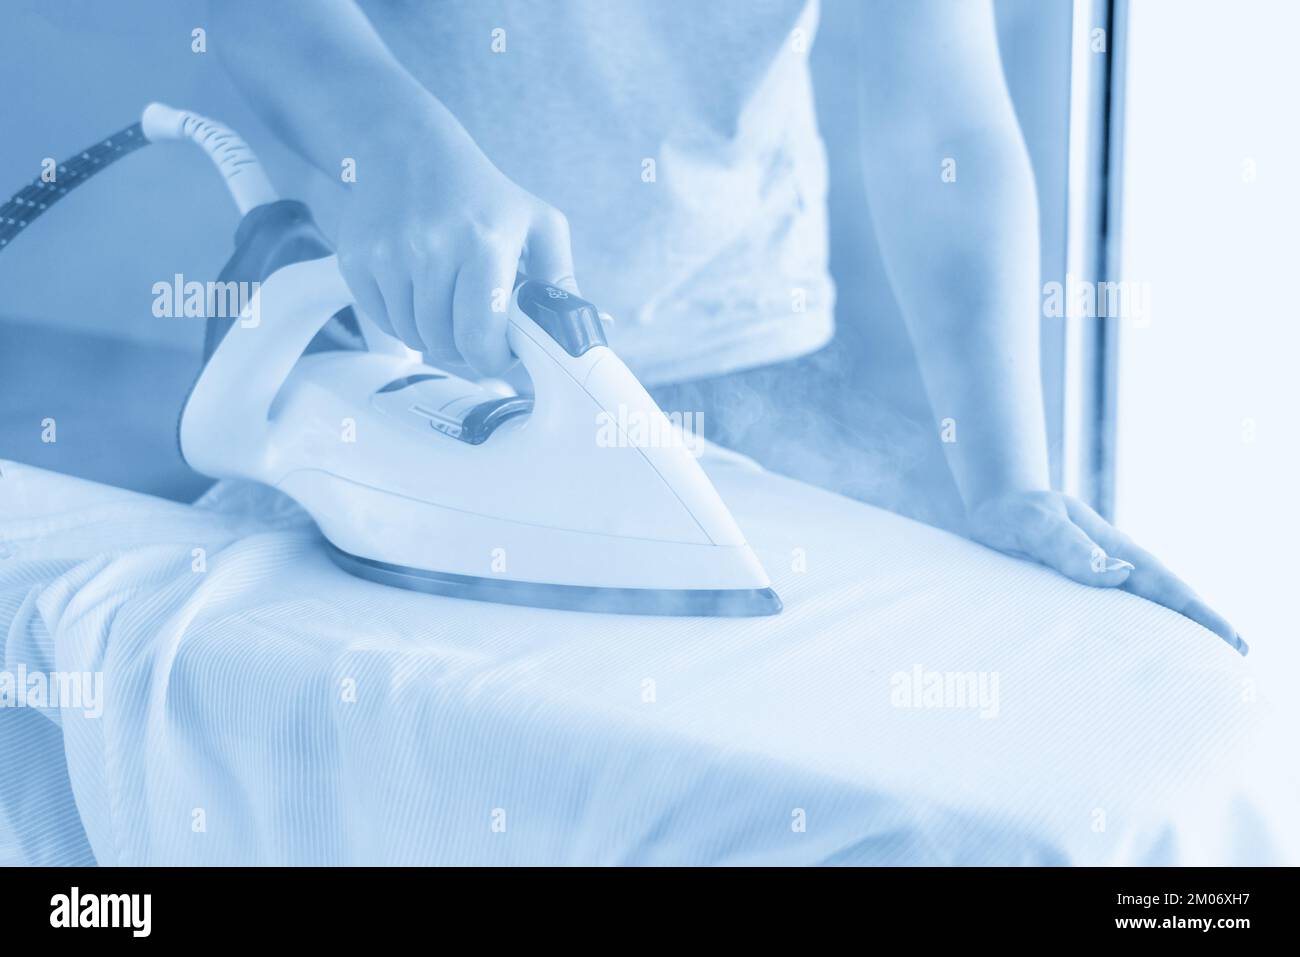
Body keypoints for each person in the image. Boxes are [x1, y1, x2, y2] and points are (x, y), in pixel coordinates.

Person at [210, 0, 1241, 651]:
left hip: (748, 370)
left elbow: (940, 122)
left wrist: (1010, 482)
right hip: (399, 357)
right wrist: (398, 146)